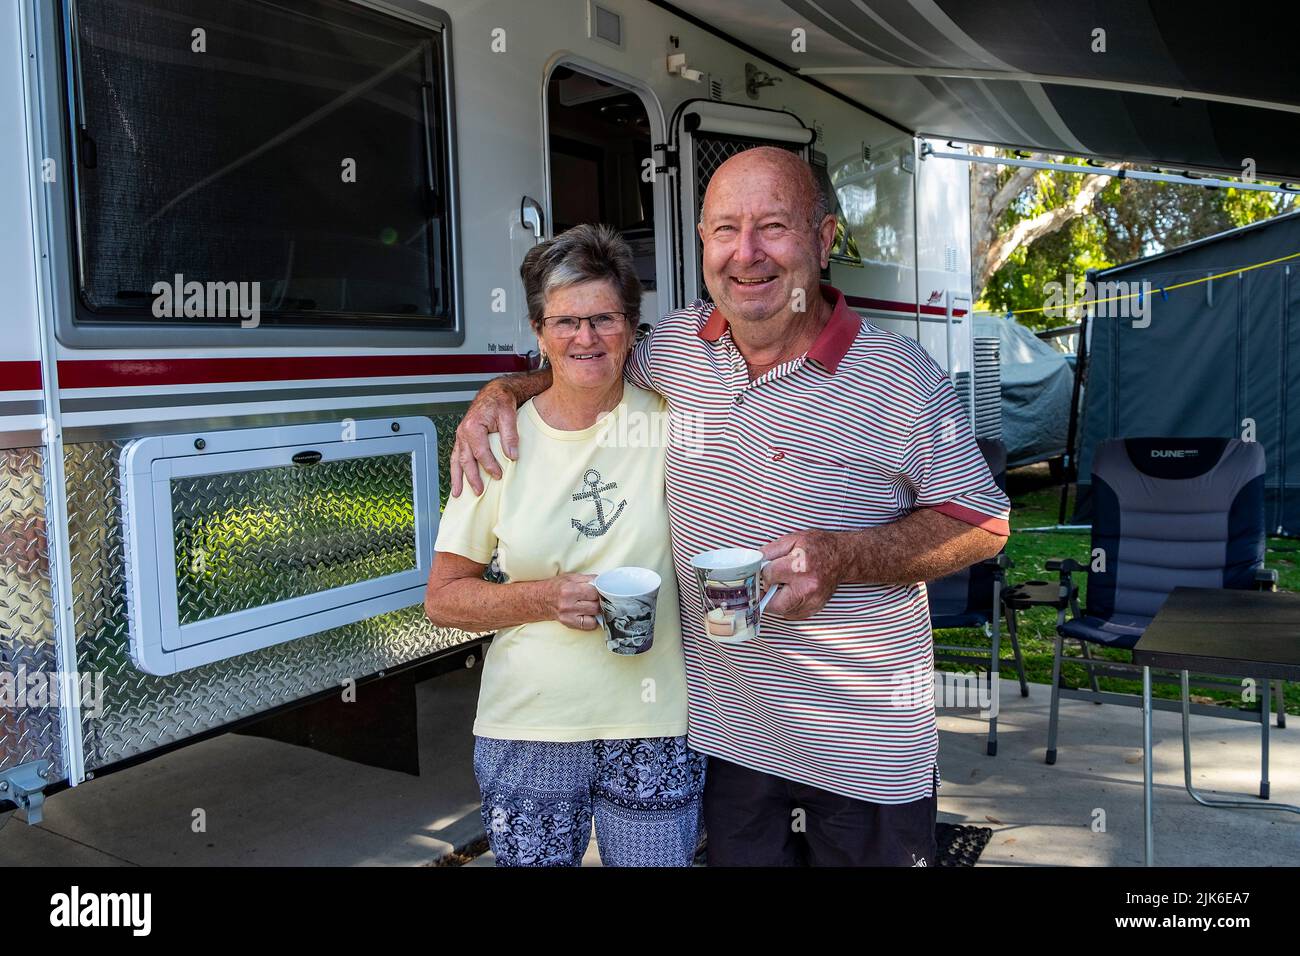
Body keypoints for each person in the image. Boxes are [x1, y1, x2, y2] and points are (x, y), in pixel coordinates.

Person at [449, 148, 1010, 866]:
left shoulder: (901, 377)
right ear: (705, 243)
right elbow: (580, 364)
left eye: (772, 226)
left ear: (823, 239)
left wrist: (842, 558)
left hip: (866, 745)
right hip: (728, 738)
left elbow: (985, 524)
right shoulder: (676, 350)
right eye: (724, 230)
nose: (746, 254)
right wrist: (499, 392)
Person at [423, 224, 703, 867]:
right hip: (530, 727)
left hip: (656, 722)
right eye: (566, 321)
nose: (586, 337)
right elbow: (444, 599)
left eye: (604, 317)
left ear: (632, 326)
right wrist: (544, 599)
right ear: (537, 330)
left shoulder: (672, 420)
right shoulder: (498, 440)